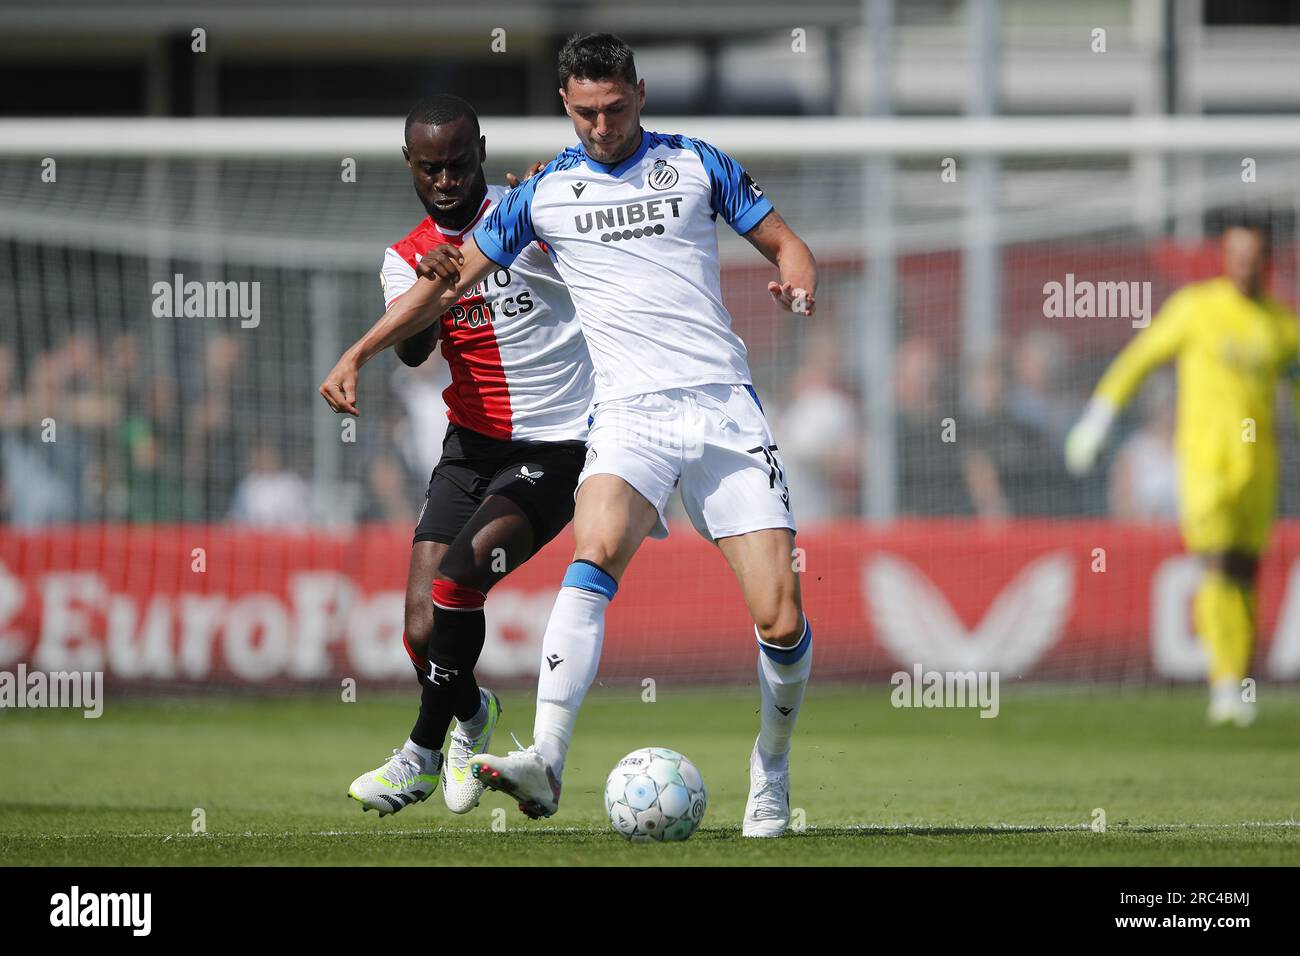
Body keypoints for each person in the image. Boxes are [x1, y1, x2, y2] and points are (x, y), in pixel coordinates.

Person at [321, 34, 818, 837]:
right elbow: (435, 292)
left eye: (615, 108)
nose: (601, 125)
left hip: (723, 407)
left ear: (641, 93)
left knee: (781, 620)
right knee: (593, 558)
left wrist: (798, 276)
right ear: (564, 106)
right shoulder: (542, 195)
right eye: (585, 112)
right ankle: (545, 759)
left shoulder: (698, 164)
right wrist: (357, 352)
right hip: (625, 415)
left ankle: (773, 769)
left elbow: (786, 242)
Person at [319, 94, 593, 815]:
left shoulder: (529, 210)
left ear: (480, 152)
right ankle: (473, 715)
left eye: (459, 165)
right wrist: (429, 289)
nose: (446, 181)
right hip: (470, 449)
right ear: (410, 165)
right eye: (431, 169)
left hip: (558, 442)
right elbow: (412, 354)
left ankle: (418, 755)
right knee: (419, 630)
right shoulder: (404, 256)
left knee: (461, 578)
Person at [1066, 219, 1299, 727]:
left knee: (1243, 572)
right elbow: (1139, 358)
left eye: (1253, 257)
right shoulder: (1196, 309)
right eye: (1235, 256)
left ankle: (1236, 678)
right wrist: (1098, 418)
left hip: (1258, 467)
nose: (1244, 267)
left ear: (1267, 261)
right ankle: (1223, 685)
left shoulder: (1282, 327)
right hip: (1204, 463)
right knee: (1215, 564)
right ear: (1224, 257)